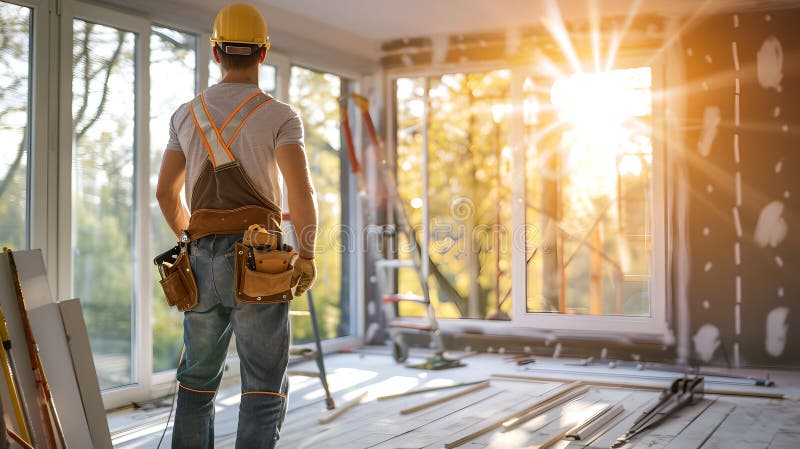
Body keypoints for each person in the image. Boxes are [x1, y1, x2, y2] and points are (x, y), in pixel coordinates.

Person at [155, 3, 317, 448]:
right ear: (263, 53)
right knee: (263, 386)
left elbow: (165, 194)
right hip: (261, 260)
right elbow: (301, 193)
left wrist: (192, 241)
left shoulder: (184, 115)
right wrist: (306, 255)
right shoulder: (280, 116)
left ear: (216, 53)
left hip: (200, 258)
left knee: (196, 383)